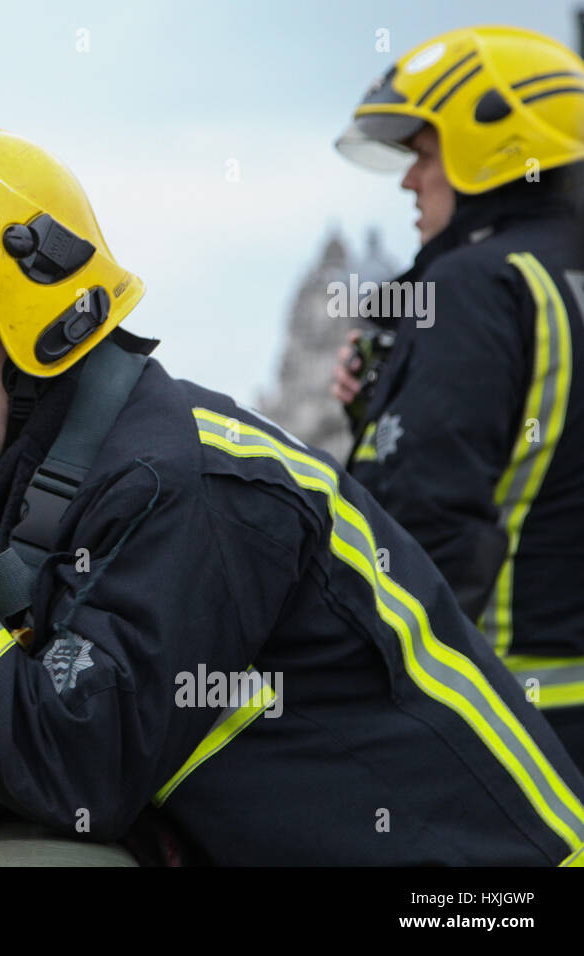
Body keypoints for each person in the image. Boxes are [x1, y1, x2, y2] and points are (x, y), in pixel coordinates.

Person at [0, 120, 584, 864]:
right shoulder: (44, 480)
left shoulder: (186, 483)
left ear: (37, 313)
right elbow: (86, 720)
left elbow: (86, 769)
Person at [332, 25, 584, 763]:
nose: (410, 180)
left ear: (491, 148)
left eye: (425, 153)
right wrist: (379, 402)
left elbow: (418, 525)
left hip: (517, 721)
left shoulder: (475, 286)